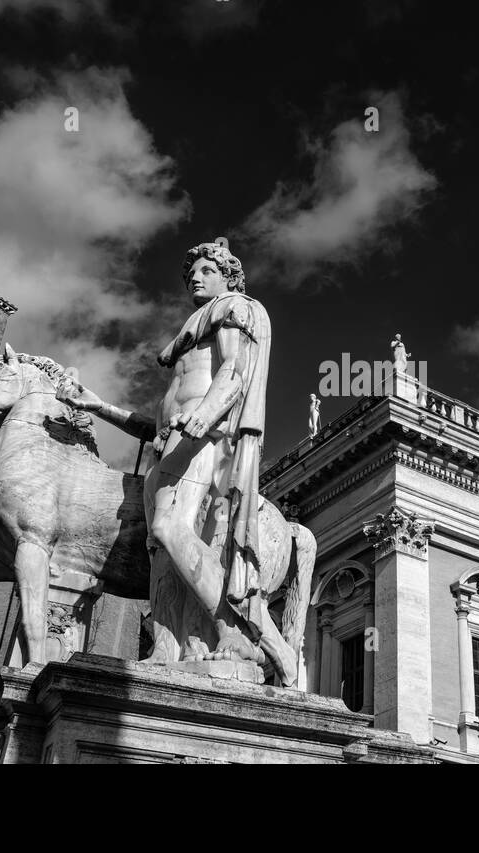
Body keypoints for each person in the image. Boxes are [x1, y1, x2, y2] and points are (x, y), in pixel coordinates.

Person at [57, 242, 283, 671]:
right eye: (190, 274)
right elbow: (154, 425)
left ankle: (234, 628)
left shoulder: (233, 307)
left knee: (167, 526)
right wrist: (98, 406)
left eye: (204, 270)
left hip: (206, 434)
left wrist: (205, 414)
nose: (195, 279)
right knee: (158, 550)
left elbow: (235, 372)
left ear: (227, 275)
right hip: (173, 440)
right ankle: (165, 649)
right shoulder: (190, 333)